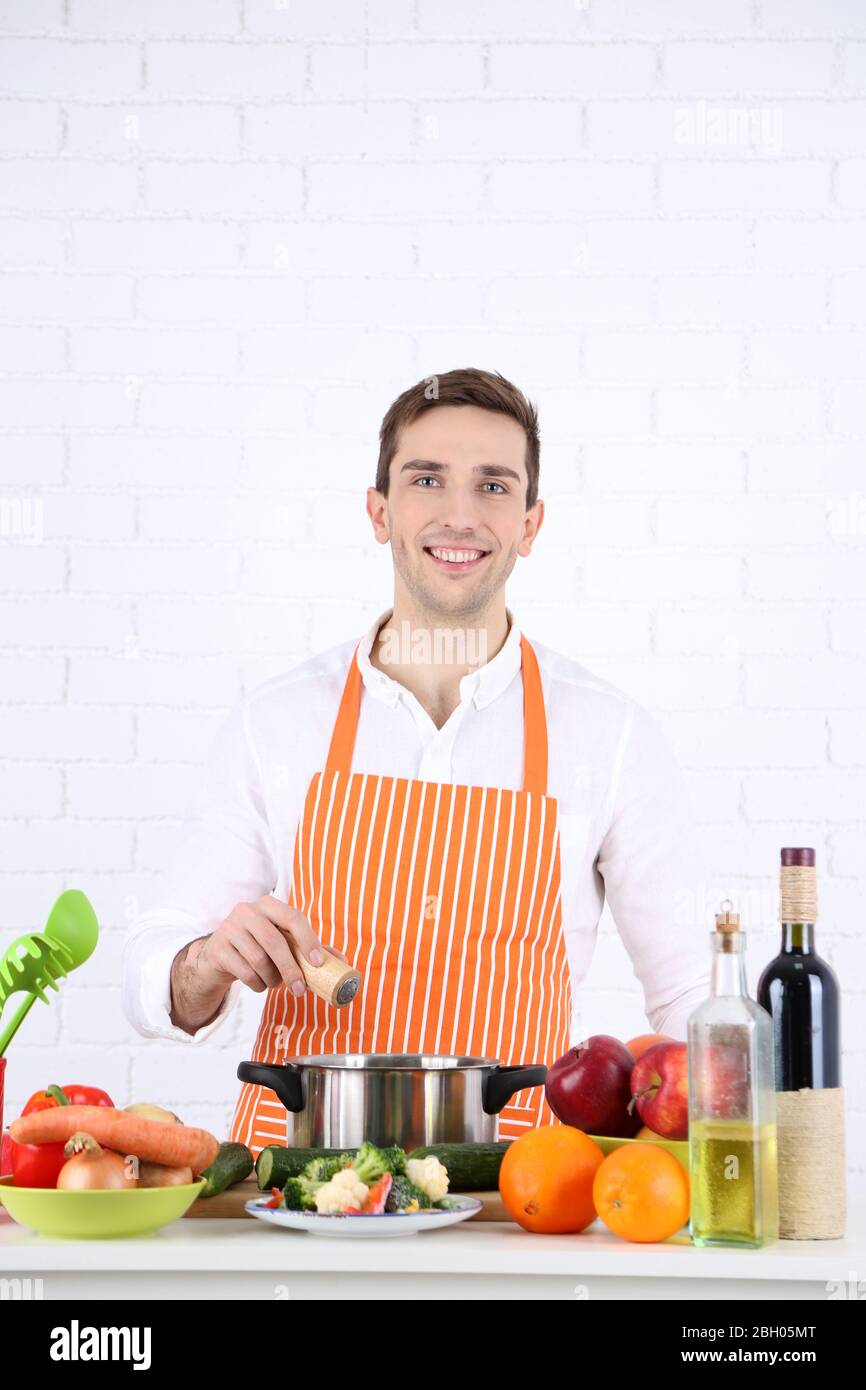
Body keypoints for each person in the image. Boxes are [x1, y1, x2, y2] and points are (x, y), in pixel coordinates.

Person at [122, 367, 710, 1156]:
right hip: (301, 1185)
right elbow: (154, 966)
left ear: (531, 525)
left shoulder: (611, 735)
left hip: (512, 1195)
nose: (460, 515)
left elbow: (691, 997)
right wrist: (203, 965)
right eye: (426, 479)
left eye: (494, 486)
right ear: (379, 511)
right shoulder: (277, 721)